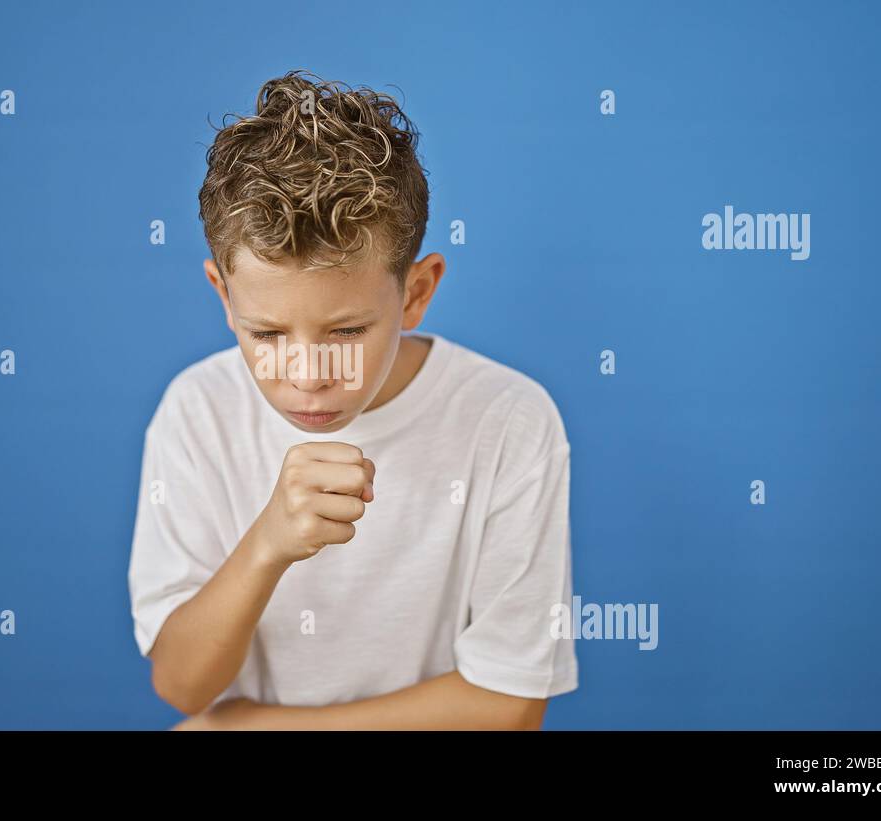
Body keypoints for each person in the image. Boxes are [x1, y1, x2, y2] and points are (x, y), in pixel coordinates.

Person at [127, 70, 577, 730]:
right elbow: (182, 683)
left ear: (416, 293)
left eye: (345, 331)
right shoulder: (197, 412)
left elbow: (510, 703)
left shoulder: (508, 419)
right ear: (224, 297)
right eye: (268, 332)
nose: (307, 374)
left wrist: (253, 728)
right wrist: (266, 545)